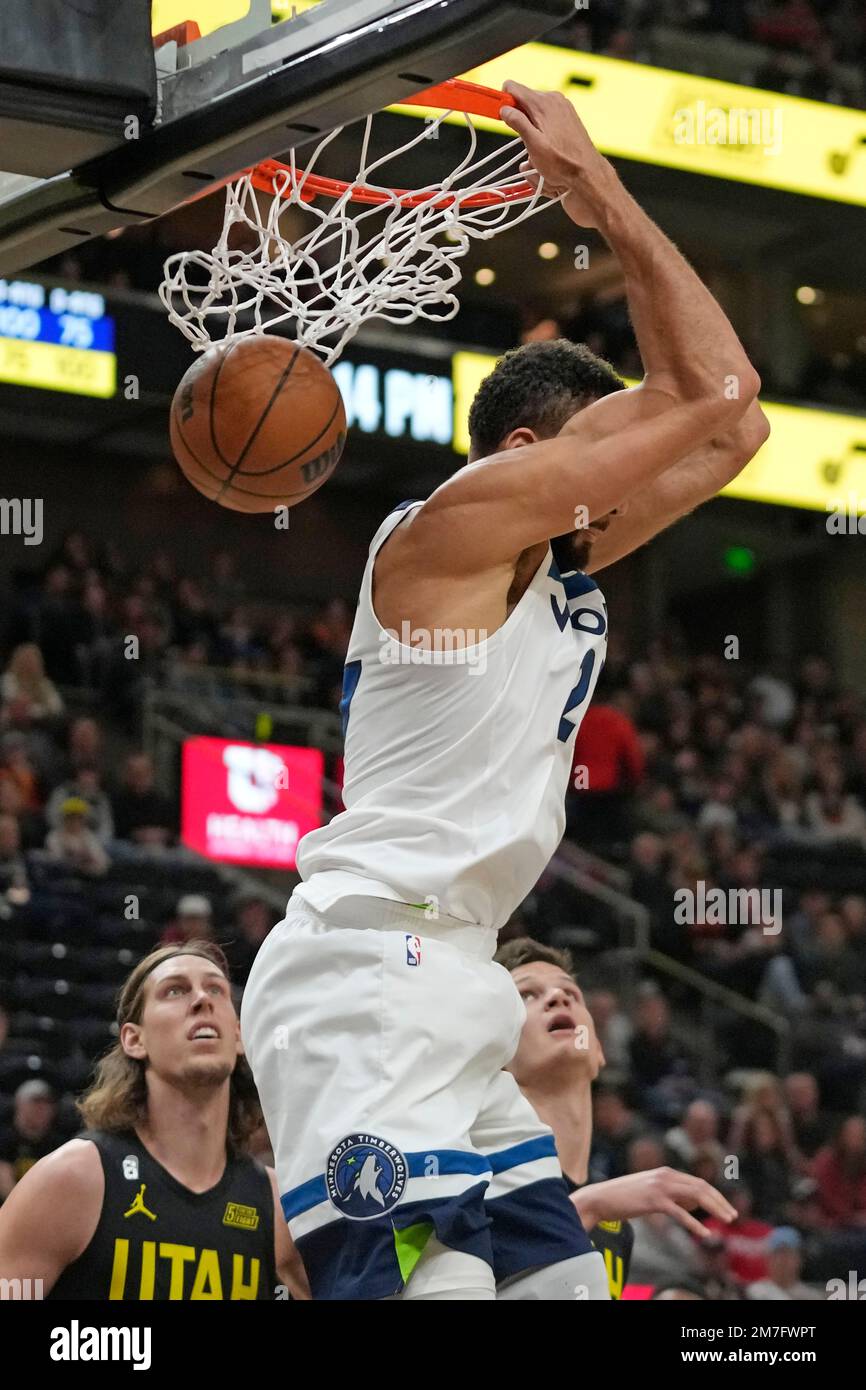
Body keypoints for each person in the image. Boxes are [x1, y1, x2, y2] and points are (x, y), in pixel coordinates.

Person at [241, 78, 768, 1302]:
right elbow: (704, 399)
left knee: (558, 1290)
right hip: (364, 976)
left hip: (461, 978)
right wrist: (599, 194)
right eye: (603, 451)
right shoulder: (452, 530)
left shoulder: (553, 561)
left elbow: (729, 423)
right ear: (529, 459)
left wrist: (608, 208)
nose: (624, 481)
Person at [0, 944, 308, 1300]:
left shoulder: (277, 1206)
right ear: (135, 1039)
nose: (201, 1000)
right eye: (175, 990)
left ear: (239, 1036)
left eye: (215, 989)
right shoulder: (74, 1178)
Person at [496, 936, 735, 1300]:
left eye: (571, 994)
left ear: (598, 1048)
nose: (558, 999)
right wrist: (587, 1208)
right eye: (527, 995)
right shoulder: (478, 1179)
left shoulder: (616, 1226)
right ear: (495, 1051)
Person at [0, 1080, 64, 1201]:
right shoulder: (4, 1140)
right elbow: (4, 1185)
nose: (42, 1108)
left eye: (47, 1104)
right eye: (35, 1102)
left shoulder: (59, 1145)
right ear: (19, 1103)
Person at [746, 1227, 823, 1301]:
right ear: (767, 1259)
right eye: (777, 1254)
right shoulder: (753, 1293)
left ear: (800, 1259)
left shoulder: (811, 1296)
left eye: (788, 1254)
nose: (782, 1261)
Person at [44, 796, 109, 877]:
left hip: (89, 879)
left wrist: (88, 861)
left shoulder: (89, 836)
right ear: (64, 819)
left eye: (79, 818)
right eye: (71, 818)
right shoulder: (54, 836)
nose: (75, 822)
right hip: (65, 879)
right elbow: (55, 862)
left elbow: (102, 863)